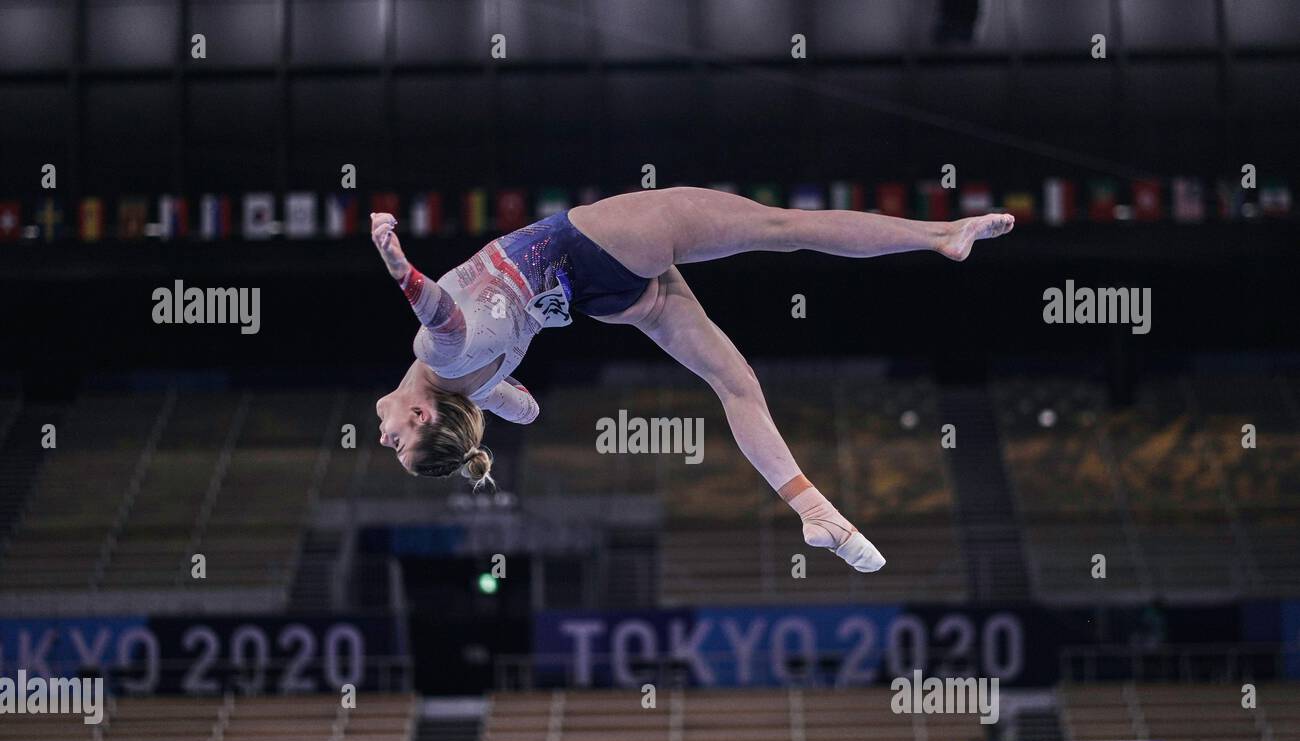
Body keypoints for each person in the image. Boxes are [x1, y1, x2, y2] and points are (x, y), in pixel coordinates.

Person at [372, 187, 1014, 572]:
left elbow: (528, 412)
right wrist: (397, 263)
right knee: (782, 228)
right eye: (400, 443)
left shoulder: (477, 387)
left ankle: (814, 512)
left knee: (736, 385)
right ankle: (940, 235)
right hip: (593, 243)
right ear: (424, 416)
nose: (385, 438)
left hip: (603, 299)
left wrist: (468, 442)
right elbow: (442, 314)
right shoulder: (442, 354)